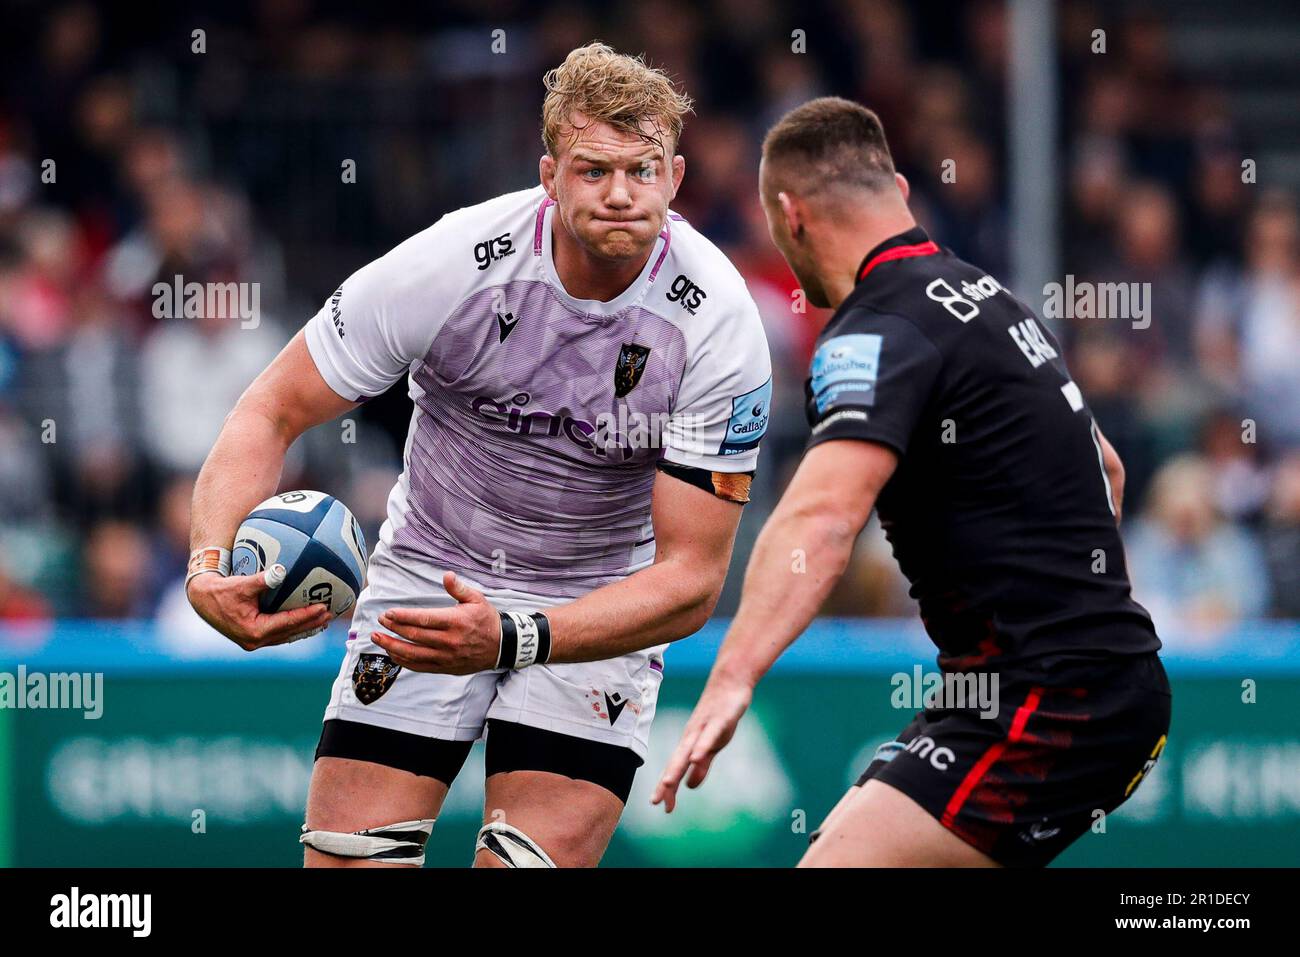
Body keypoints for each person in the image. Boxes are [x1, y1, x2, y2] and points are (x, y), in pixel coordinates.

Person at [185, 43, 771, 868]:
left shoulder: (718, 323)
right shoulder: (451, 262)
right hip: (431, 569)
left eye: (643, 170)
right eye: (593, 170)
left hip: (595, 601)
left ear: (675, 178)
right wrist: (208, 563)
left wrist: (516, 636)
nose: (619, 194)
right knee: (348, 861)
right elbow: (271, 409)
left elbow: (692, 580)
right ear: (549, 176)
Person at [653, 97, 1171, 868]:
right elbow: (1107, 468)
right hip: (1075, 681)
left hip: (1047, 700)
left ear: (790, 217)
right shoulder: (994, 303)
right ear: (896, 187)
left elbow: (821, 521)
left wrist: (732, 675)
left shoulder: (872, 332)